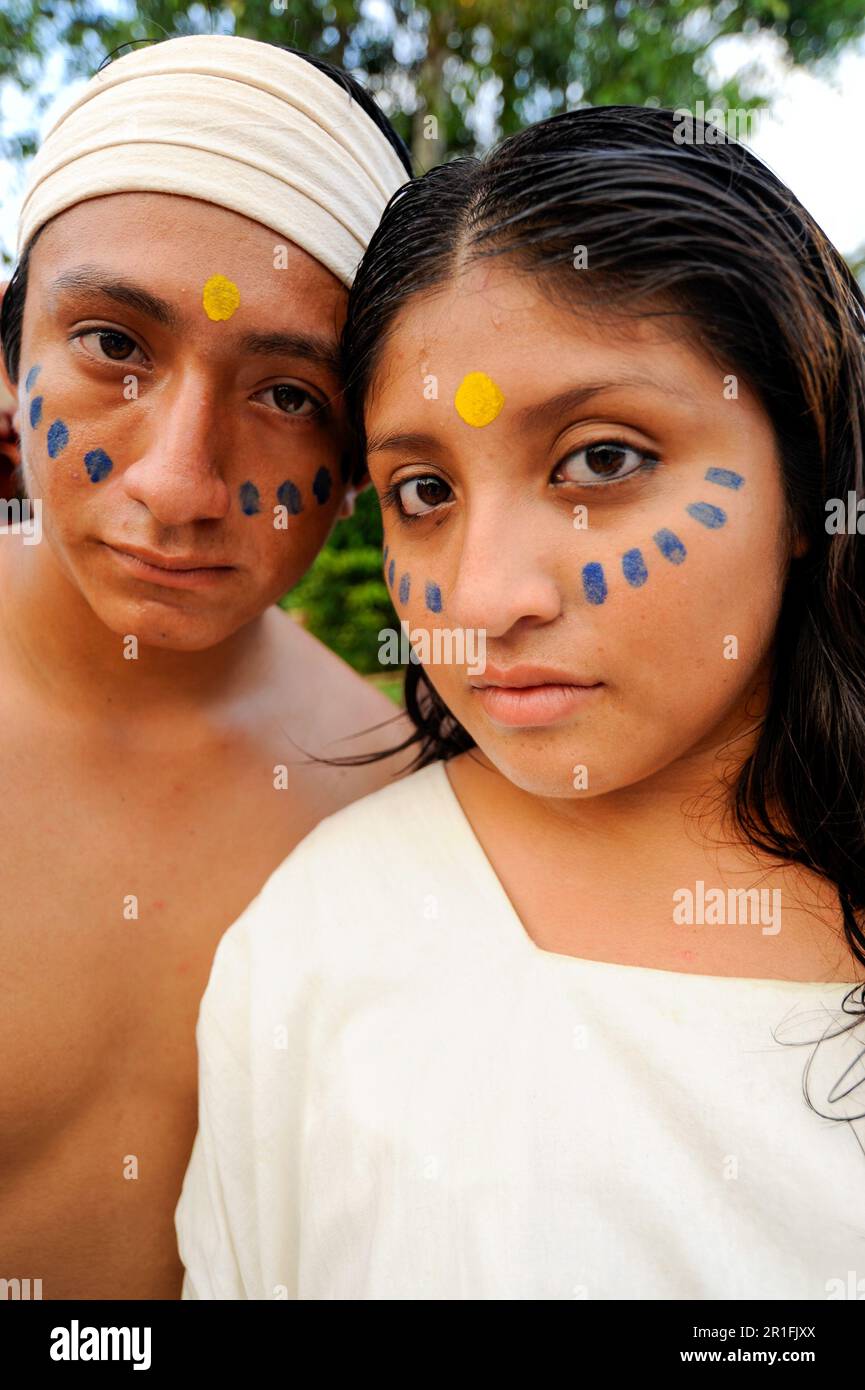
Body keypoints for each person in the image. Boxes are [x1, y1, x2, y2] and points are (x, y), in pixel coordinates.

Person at [176, 106, 865, 1300]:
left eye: (602, 459)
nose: (482, 597)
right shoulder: (319, 942)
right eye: (424, 488)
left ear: (805, 477)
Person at [0, 33, 413, 1300]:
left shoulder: (400, 803)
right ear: (10, 368)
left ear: (358, 459)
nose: (179, 484)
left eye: (288, 394)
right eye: (114, 343)